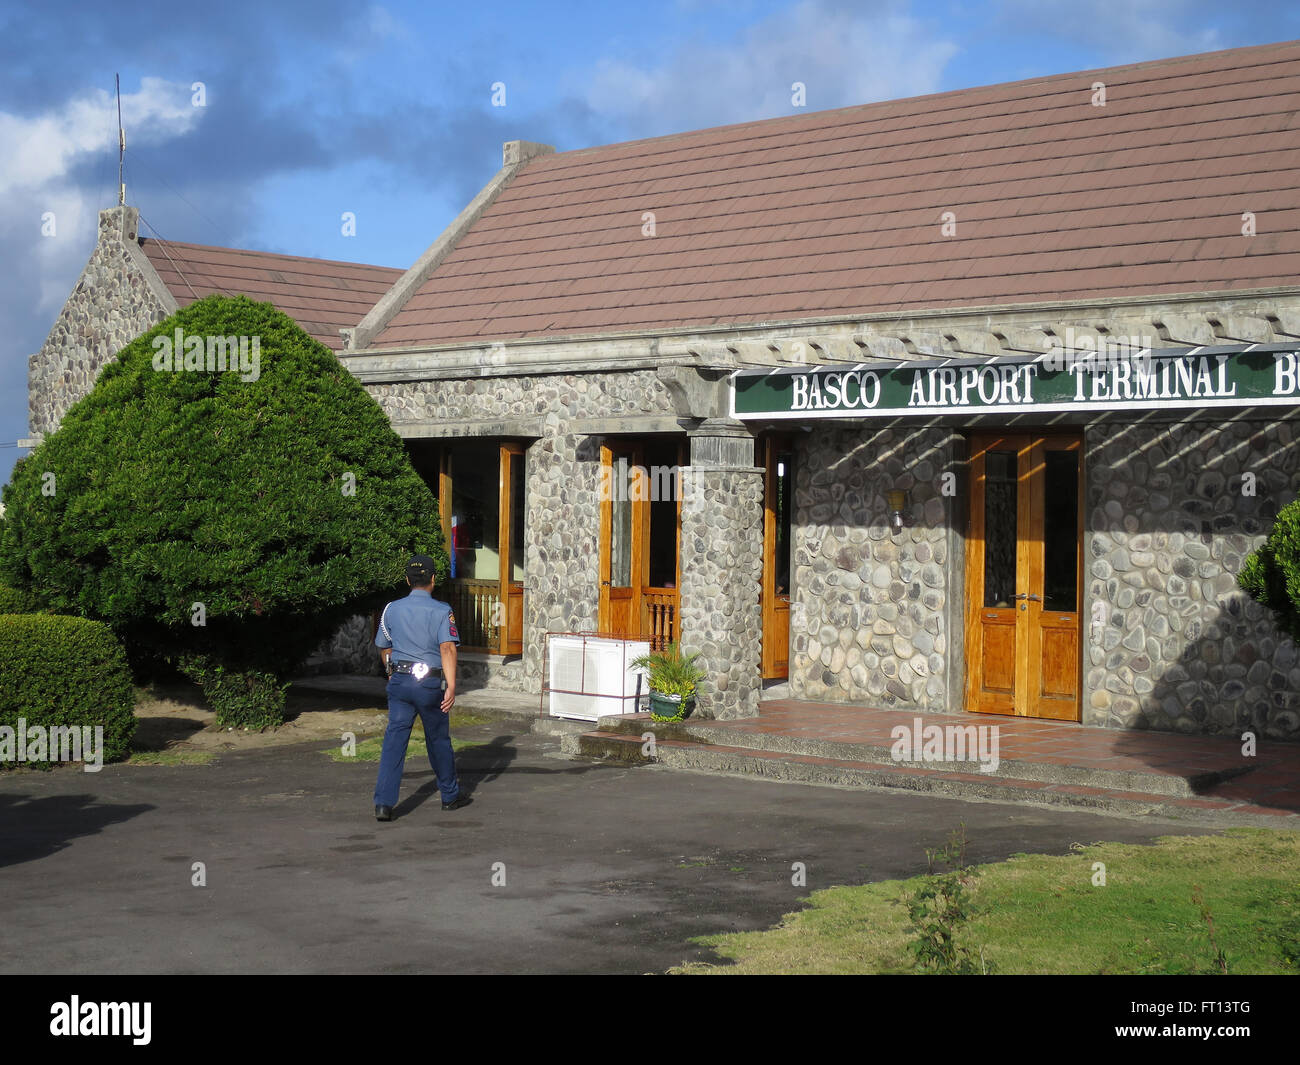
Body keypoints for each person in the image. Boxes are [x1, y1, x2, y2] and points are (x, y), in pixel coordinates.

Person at [372, 554, 470, 821]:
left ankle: (383, 803)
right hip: (429, 683)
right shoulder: (441, 611)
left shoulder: (391, 609)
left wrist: (390, 670)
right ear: (433, 580)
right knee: (437, 739)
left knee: (394, 740)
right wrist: (451, 685)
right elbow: (447, 648)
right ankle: (449, 796)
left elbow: (384, 646)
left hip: (401, 680)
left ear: (407, 580)